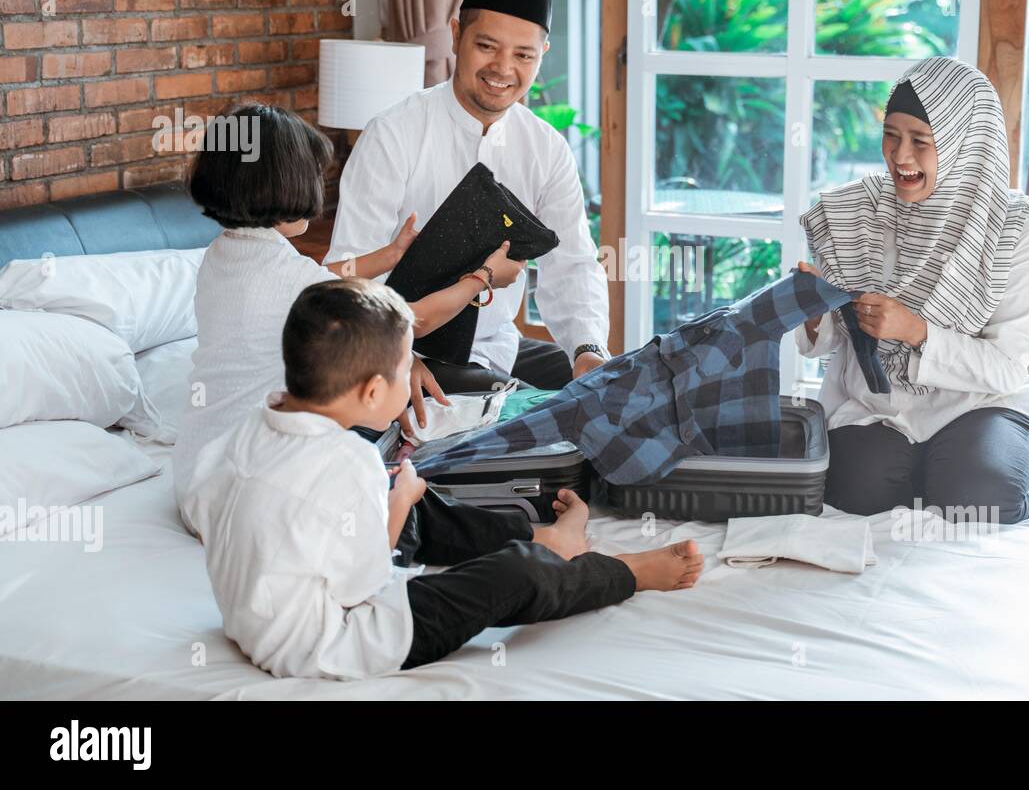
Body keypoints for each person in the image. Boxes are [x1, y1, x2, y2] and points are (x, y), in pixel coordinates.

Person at [182, 278, 704, 679]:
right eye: (407, 366)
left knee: (411, 499)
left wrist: (392, 502)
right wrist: (398, 505)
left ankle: (545, 536)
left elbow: (209, 506)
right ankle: (626, 572)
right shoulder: (345, 462)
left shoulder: (250, 425)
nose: (414, 377)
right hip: (333, 643)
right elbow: (363, 587)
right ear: (370, 392)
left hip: (250, 619)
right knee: (515, 574)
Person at [171, 104, 521, 530]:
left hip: (199, 476)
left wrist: (388, 256)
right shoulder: (287, 277)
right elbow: (414, 321)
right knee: (410, 496)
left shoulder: (226, 253)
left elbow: (321, 278)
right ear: (287, 184)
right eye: (313, 175)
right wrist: (483, 277)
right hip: (244, 498)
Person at [325, 0, 610, 392]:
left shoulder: (547, 149)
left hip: (499, 345)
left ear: (543, 53)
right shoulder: (393, 133)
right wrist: (396, 356)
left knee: (605, 393)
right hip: (405, 354)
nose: (503, 68)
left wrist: (588, 348)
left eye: (523, 55)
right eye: (487, 46)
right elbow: (352, 275)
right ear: (457, 35)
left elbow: (572, 263)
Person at [797, 57, 1029, 525]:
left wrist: (918, 332)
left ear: (965, 145)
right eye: (891, 135)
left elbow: (1003, 368)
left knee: (982, 496)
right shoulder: (855, 212)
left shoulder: (1018, 229)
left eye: (921, 142)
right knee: (854, 489)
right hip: (879, 407)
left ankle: (947, 469)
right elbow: (830, 341)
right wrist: (813, 310)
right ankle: (922, 473)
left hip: (977, 405)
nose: (900, 157)